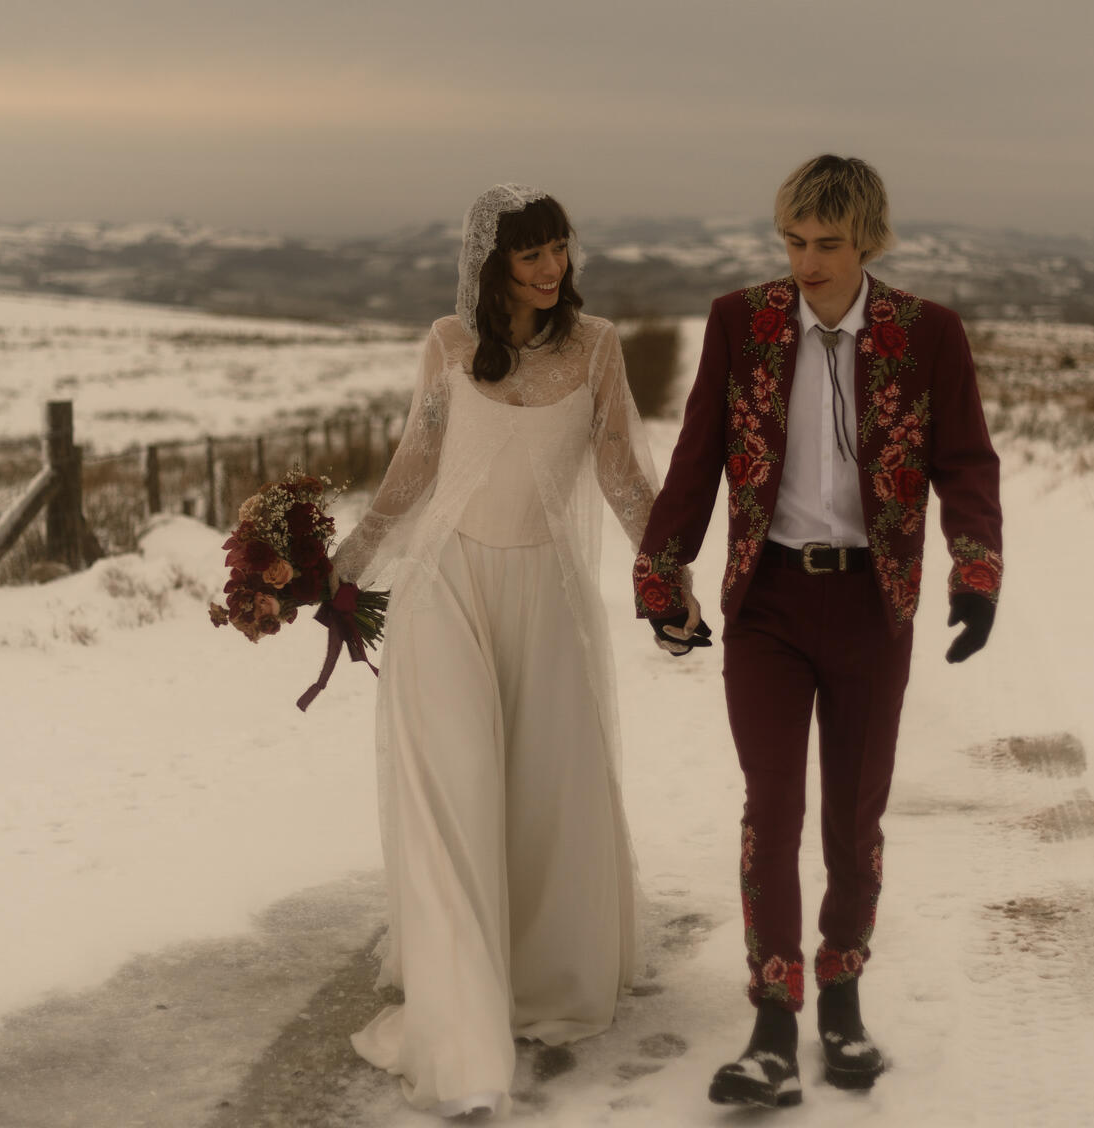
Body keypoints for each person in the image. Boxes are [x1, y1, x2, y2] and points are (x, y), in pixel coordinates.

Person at [633, 154, 1002, 1109]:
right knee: (772, 805)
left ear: (868, 241)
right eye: (793, 242)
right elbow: (699, 453)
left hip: (872, 609)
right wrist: (660, 571)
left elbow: (966, 462)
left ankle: (840, 992)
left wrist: (975, 570)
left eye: (827, 244)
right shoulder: (740, 323)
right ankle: (771, 1020)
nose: (807, 262)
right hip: (770, 603)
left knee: (852, 814)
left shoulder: (930, 337)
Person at [331, 184, 691, 1119]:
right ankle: (460, 1023)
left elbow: (621, 473)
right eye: (528, 254)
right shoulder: (449, 346)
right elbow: (413, 467)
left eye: (559, 249)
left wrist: (666, 584)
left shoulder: (598, 345)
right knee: (454, 789)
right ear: (490, 263)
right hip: (445, 588)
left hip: (546, 595)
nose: (549, 268)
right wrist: (342, 566)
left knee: (541, 791)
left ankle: (538, 975)